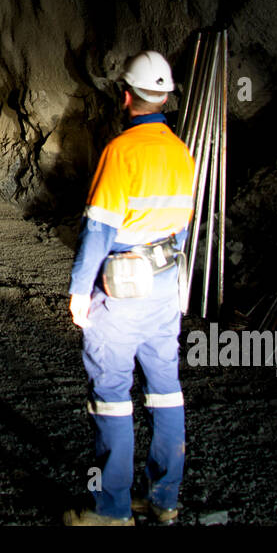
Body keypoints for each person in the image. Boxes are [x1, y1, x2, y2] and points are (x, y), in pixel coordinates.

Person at [63, 50, 196, 526]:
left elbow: (98, 230)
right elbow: (182, 230)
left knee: (112, 392)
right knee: (165, 389)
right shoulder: (183, 154)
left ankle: (111, 510)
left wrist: (80, 292)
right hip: (164, 288)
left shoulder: (121, 151)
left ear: (126, 97)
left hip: (121, 290)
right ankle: (165, 501)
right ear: (165, 97)